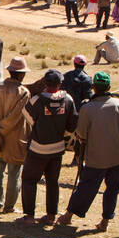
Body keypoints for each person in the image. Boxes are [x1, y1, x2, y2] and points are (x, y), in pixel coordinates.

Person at [56, 71, 119, 231]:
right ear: (108, 87)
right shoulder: (117, 104)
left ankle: (69, 215)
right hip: (116, 156)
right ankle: (105, 221)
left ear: (94, 87)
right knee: (112, 190)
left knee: (86, 187)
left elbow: (81, 134)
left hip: (96, 156)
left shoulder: (88, 108)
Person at [19, 69, 77, 226]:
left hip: (38, 148)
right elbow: (72, 126)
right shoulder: (68, 100)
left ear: (45, 83)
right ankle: (51, 216)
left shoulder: (37, 100)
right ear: (59, 84)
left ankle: (29, 216)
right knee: (53, 182)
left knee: (29, 180)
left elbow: (28, 117)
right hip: (57, 149)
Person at [0, 56, 31, 214]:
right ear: (21, 74)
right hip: (15, 139)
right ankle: (9, 206)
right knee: (14, 174)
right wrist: (2, 131)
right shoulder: (23, 92)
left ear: (10, 72)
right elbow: (16, 117)